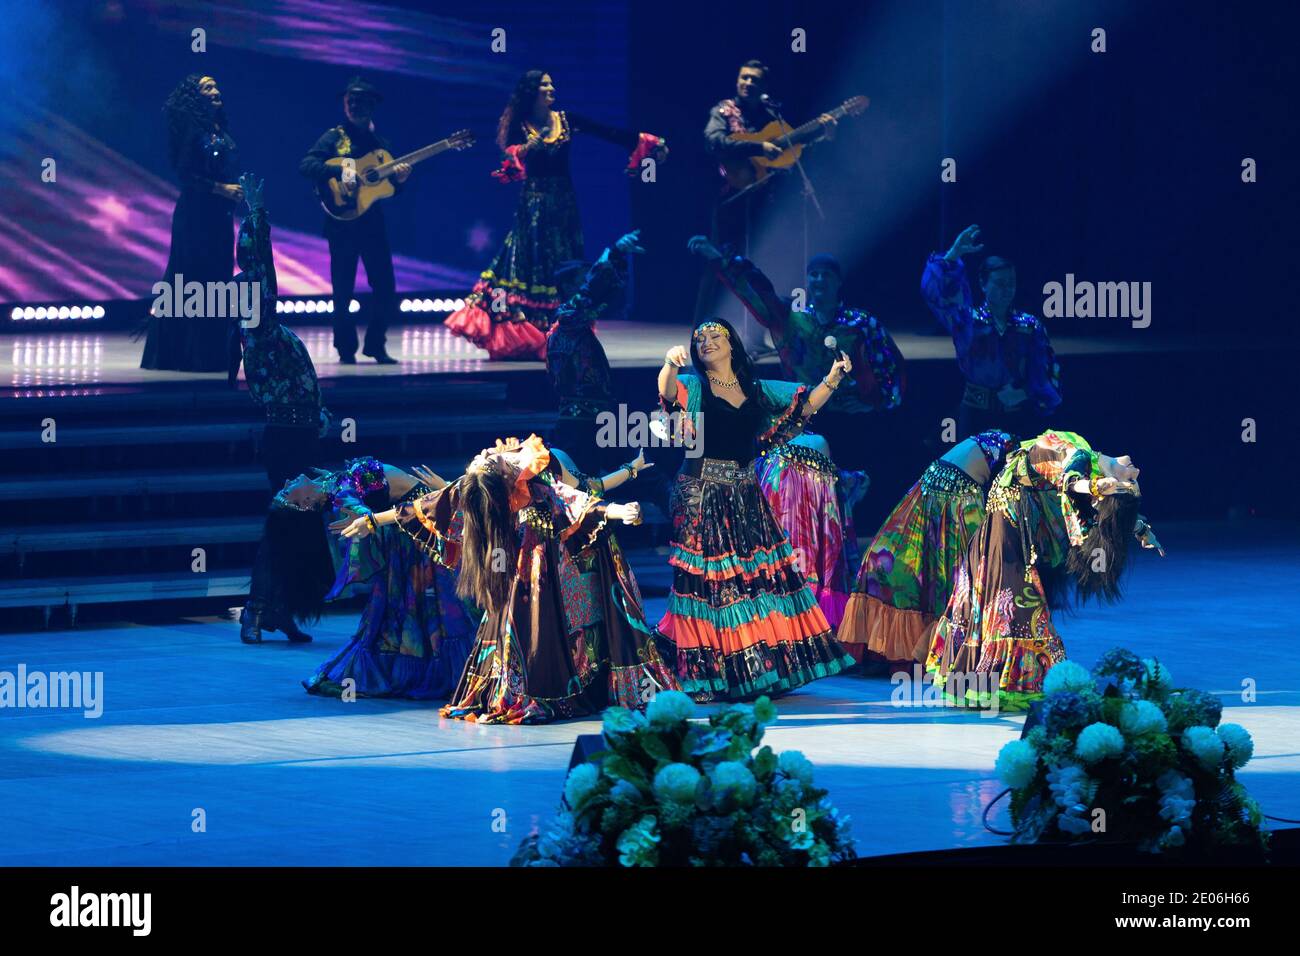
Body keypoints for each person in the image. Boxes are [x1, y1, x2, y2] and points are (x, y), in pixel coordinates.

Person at [337, 436, 678, 724]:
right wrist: (371, 521)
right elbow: (432, 503)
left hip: (567, 554)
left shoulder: (539, 470)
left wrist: (624, 496)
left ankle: (560, 683)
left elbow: (581, 497)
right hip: (534, 557)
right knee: (520, 621)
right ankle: (526, 686)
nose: (483, 456)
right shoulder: (489, 477)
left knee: (574, 624)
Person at [656, 317, 856, 701]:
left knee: (756, 580)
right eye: (700, 340)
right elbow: (668, 392)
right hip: (702, 494)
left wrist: (834, 377)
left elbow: (805, 404)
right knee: (712, 585)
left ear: (732, 344)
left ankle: (759, 666)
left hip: (746, 494)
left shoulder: (756, 389)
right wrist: (669, 363)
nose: (707, 342)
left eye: (715, 336)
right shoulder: (694, 386)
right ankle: (711, 672)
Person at [924, 431, 1164, 710]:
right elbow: (1076, 482)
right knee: (1011, 601)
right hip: (1009, 518)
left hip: (1011, 523)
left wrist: (1102, 491)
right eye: (1133, 480)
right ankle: (996, 680)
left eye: (1130, 481)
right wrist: (1131, 518)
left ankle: (1000, 681)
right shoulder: (1085, 453)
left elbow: (1072, 482)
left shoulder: (1082, 458)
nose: (1135, 471)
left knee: (1014, 603)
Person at [444, 70, 667, 360]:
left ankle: (562, 334)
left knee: (564, 267)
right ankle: (523, 336)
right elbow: (507, 167)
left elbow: (606, 132)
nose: (551, 88)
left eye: (551, 84)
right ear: (531, 93)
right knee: (527, 265)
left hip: (563, 205)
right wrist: (526, 149)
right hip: (533, 207)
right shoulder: (519, 126)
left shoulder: (566, 120)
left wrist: (645, 142)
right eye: (544, 85)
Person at [690, 235, 904, 467]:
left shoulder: (861, 323)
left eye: (826, 274)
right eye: (814, 274)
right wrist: (721, 260)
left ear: (839, 281)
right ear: (808, 280)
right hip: (805, 417)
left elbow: (891, 366)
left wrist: (875, 402)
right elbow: (756, 292)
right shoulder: (793, 319)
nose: (819, 279)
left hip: (850, 421)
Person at [836, 431, 1016, 669]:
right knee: (946, 572)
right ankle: (940, 650)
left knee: (939, 572)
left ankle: (932, 648)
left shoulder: (1000, 445)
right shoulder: (1012, 450)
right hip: (951, 495)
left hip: (935, 485)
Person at [297, 459, 476, 699]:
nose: (290, 483)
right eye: (292, 496)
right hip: (414, 534)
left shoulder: (340, 483)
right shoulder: (342, 491)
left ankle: (441, 670)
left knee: (428, 604)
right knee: (418, 606)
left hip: (419, 530)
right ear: (308, 501)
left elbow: (364, 510)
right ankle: (433, 671)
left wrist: (367, 519)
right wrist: (365, 519)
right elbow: (361, 511)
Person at [695, 60, 836, 327]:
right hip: (731, 199)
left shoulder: (773, 118)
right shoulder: (723, 111)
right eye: (744, 77)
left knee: (760, 269)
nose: (748, 83)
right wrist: (758, 147)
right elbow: (713, 141)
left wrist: (823, 135)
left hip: (764, 202)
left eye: (754, 80)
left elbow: (793, 156)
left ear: (763, 86)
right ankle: (702, 332)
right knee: (718, 266)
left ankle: (757, 334)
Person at [227, 174, 329, 492]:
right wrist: (257, 214)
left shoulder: (259, 322)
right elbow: (262, 266)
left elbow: (261, 266)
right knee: (293, 503)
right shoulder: (260, 323)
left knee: (297, 502)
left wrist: (256, 214)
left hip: (294, 427)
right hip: (289, 432)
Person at [299, 76, 411, 365]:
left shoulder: (381, 145)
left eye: (360, 101)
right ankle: (346, 348)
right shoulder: (334, 137)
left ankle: (376, 344)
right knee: (343, 288)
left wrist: (400, 180)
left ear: (372, 106)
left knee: (385, 286)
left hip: (372, 222)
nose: (354, 106)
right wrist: (341, 174)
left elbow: (387, 190)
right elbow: (307, 164)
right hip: (342, 223)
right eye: (350, 101)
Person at [141, 74, 241, 372]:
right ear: (196, 98)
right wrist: (220, 189)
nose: (216, 90)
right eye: (208, 87)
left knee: (218, 278)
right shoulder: (190, 130)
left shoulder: (218, 128)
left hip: (219, 215)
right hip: (195, 215)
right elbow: (184, 173)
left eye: (216, 85)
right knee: (191, 281)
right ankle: (181, 355)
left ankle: (211, 353)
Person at [921, 224, 1062, 436]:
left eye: (1011, 283)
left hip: (1017, 415)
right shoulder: (968, 321)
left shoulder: (1029, 326)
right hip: (976, 415)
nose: (1007, 289)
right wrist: (953, 255)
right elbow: (937, 297)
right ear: (983, 284)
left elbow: (1048, 371)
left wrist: (1024, 393)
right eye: (1000, 283)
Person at [545, 230, 644, 471]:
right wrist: (616, 253)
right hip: (581, 423)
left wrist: (617, 259)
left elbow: (601, 293)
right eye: (582, 278)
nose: (587, 282)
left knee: (638, 476)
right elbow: (592, 291)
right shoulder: (567, 319)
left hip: (595, 418)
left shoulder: (573, 321)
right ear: (569, 286)